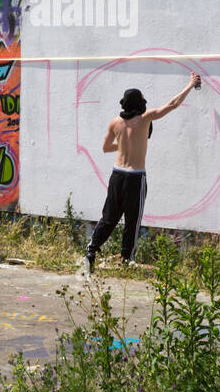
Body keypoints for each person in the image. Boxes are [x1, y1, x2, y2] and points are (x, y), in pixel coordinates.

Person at [85, 73, 201, 274]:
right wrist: (190, 85)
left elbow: (105, 148)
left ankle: (91, 250)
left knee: (108, 218)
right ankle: (126, 259)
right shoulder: (145, 119)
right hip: (135, 178)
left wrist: (122, 146)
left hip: (117, 175)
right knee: (133, 220)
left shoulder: (115, 123)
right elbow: (172, 104)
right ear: (139, 104)